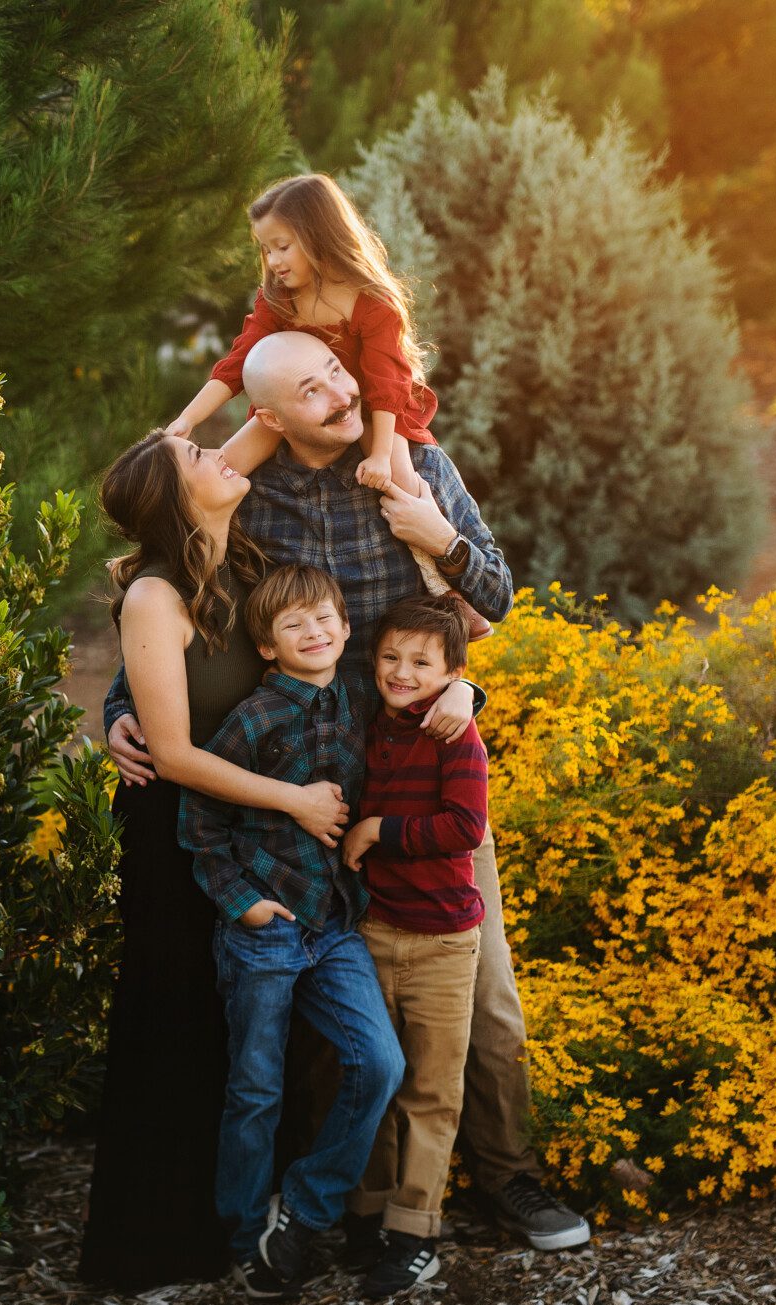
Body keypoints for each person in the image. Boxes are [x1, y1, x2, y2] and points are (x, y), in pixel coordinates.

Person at [105, 329, 591, 1253]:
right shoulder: (251, 495)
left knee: (482, 990)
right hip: (312, 787)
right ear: (271, 417)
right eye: (311, 388)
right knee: (334, 1012)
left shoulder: (417, 464)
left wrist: (442, 556)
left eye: (338, 372)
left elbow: (494, 598)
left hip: (424, 764)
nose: (338, 392)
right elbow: (184, 598)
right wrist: (122, 709)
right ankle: (347, 1204)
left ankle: (507, 1174)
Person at [79, 421, 356, 1291]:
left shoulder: (238, 562)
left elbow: (268, 413)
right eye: (198, 457)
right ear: (176, 499)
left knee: (243, 1031)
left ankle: (246, 1221)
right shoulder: (155, 596)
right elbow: (172, 753)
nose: (218, 455)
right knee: (178, 1022)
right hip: (176, 834)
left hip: (244, 832)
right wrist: (295, 800)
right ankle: (160, 1240)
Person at [178, 564, 403, 1299]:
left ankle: (302, 1213)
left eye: (324, 617)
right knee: (255, 1089)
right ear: (267, 647)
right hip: (266, 928)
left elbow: (426, 683)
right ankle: (247, 1240)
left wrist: (468, 691)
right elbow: (199, 820)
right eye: (293, 623)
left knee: (380, 1063)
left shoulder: (360, 695)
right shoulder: (253, 718)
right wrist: (241, 901)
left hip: (334, 923)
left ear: (346, 625)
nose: (314, 631)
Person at [166, 173, 488, 636]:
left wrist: (380, 455)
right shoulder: (279, 301)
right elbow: (238, 363)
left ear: (318, 237)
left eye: (283, 246)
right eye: (266, 250)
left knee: (403, 483)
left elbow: (386, 383)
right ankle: (168, 560)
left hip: (377, 410)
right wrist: (187, 419)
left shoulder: (372, 303)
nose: (273, 261)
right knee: (217, 473)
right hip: (296, 411)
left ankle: (447, 592)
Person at [338, 595, 490, 1297]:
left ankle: (414, 1232)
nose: (402, 672)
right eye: (391, 657)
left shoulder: (455, 735)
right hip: (374, 930)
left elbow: (464, 826)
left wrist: (379, 831)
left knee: (430, 1090)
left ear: (453, 673)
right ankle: (366, 1215)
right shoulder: (372, 726)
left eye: (422, 663)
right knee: (372, 1078)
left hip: (442, 943)